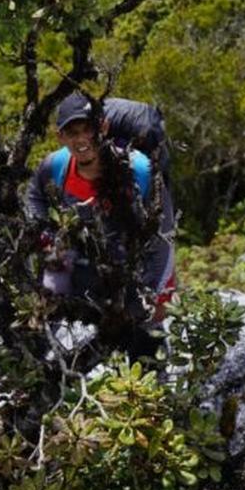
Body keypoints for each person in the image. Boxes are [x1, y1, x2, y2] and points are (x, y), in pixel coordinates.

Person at [25, 92, 178, 352]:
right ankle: (37, 371)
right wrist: (45, 237)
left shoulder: (141, 170)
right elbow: (34, 196)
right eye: (72, 132)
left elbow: (164, 238)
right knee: (44, 309)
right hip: (80, 254)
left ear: (104, 128)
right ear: (60, 137)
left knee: (145, 341)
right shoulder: (55, 165)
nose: (82, 139)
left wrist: (154, 294)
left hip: (132, 263)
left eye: (89, 130)